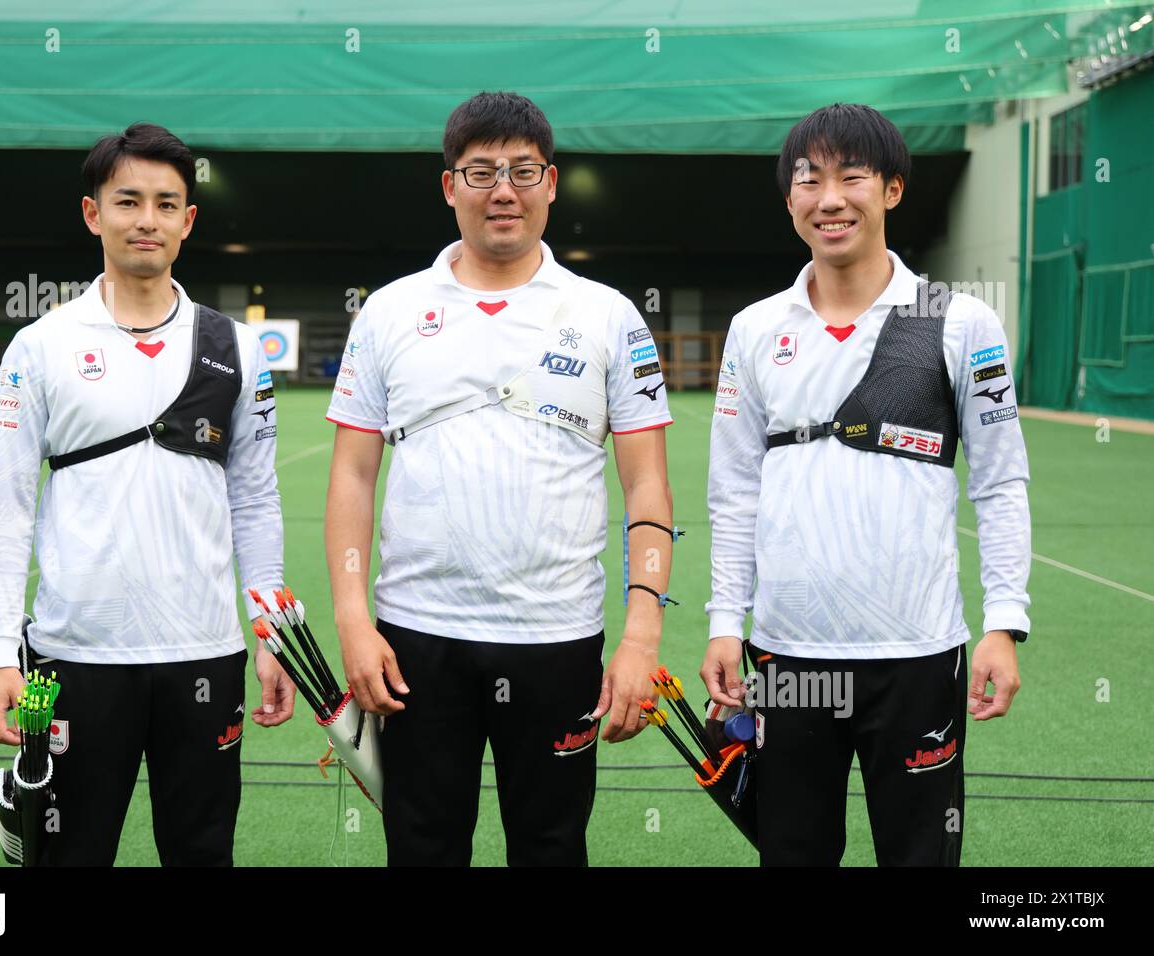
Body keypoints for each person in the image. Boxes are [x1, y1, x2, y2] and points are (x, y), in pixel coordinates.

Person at [323, 92, 675, 866]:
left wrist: (642, 632)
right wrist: (353, 619)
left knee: (551, 847)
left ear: (552, 182)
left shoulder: (609, 315)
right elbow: (352, 475)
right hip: (417, 639)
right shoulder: (388, 312)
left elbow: (647, 486)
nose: (503, 190)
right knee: (421, 847)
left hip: (557, 638)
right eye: (480, 172)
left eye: (522, 171)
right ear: (449, 186)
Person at [701, 103, 1031, 866]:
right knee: (791, 849)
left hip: (919, 656)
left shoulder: (958, 321)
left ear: (892, 189)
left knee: (920, 854)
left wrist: (1004, 623)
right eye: (808, 180)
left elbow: (1001, 479)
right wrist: (726, 620)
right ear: (789, 199)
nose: (829, 198)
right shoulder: (756, 329)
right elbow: (733, 491)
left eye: (852, 177)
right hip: (787, 658)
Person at [0, 123, 293, 866]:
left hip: (206, 655)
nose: (146, 218)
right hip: (73, 658)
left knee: (202, 851)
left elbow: (255, 501)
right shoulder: (40, 347)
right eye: (128, 201)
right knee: (70, 855)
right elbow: (7, 511)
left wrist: (268, 629)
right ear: (94, 214)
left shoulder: (237, 349)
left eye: (165, 203)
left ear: (188, 221)